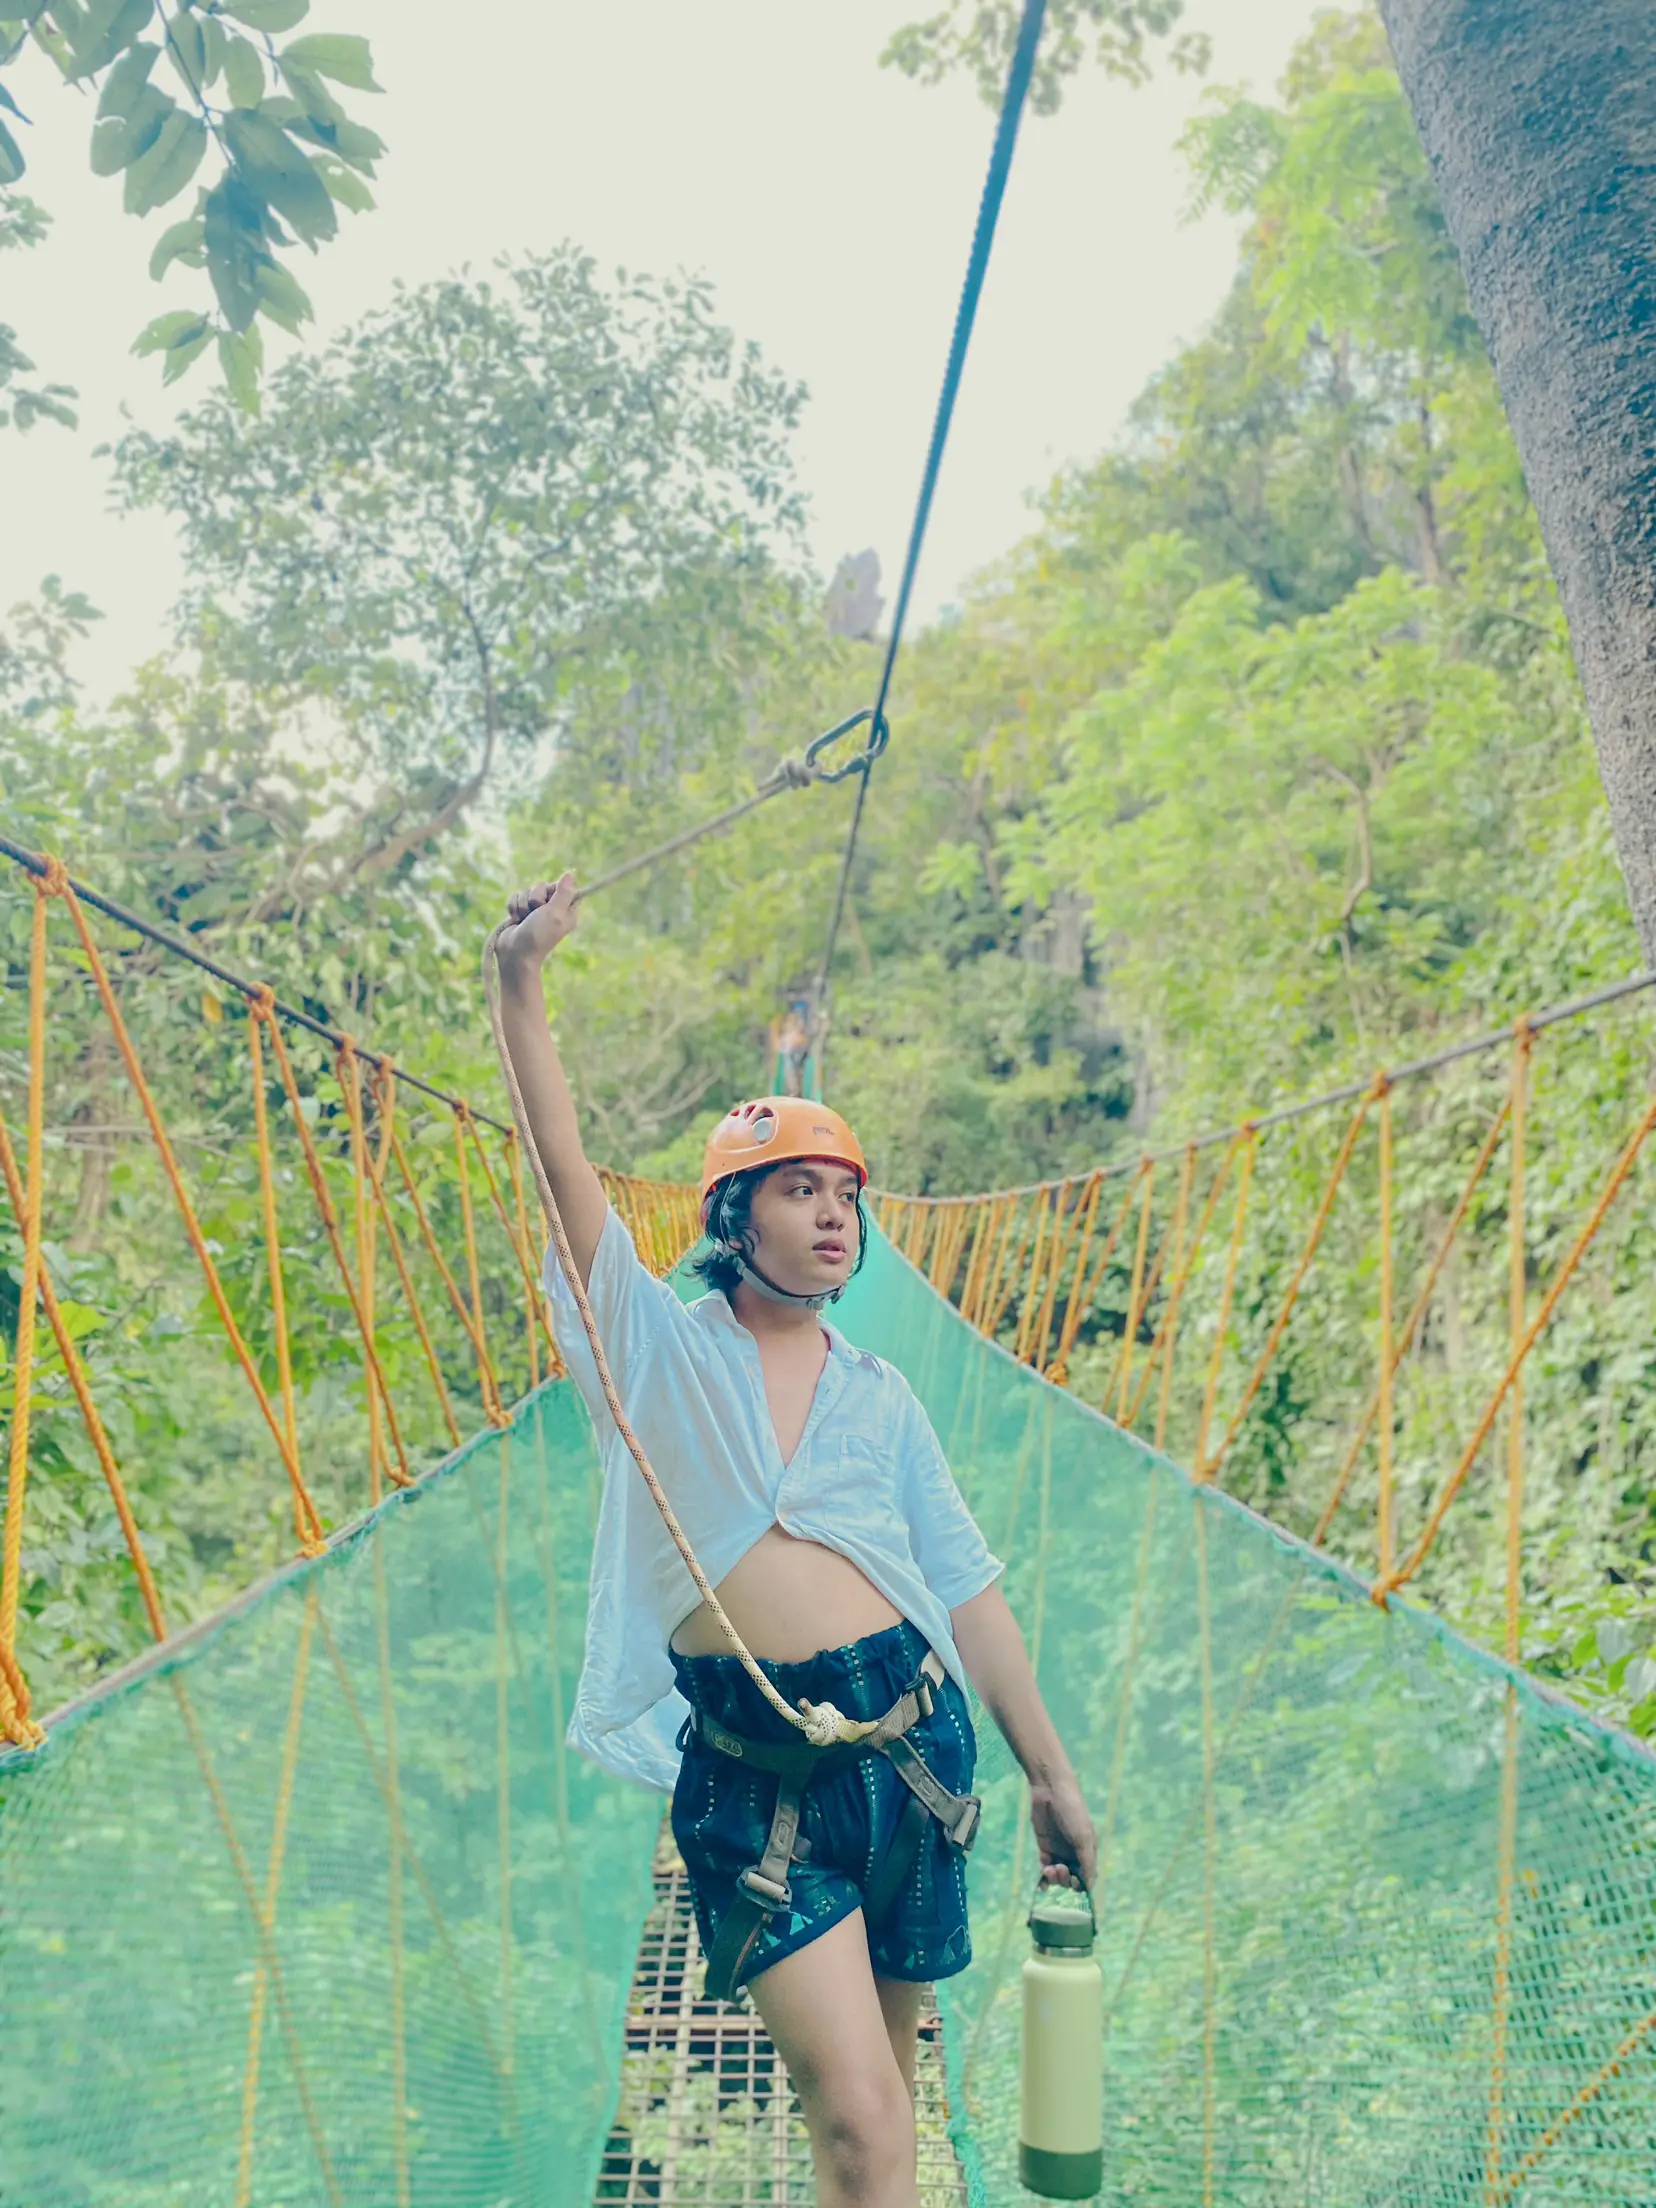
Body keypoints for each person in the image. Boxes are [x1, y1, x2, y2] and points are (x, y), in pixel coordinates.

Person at [494, 871, 1097, 2208]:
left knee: (880, 2135)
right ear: (730, 1217)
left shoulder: (882, 1396)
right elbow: (564, 1178)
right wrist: (518, 985)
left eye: (847, 1197)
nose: (834, 1215)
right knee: (866, 2127)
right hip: (754, 1778)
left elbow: (967, 1589)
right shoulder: (656, 1355)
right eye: (798, 1190)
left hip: (915, 1755)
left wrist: (1051, 1775)